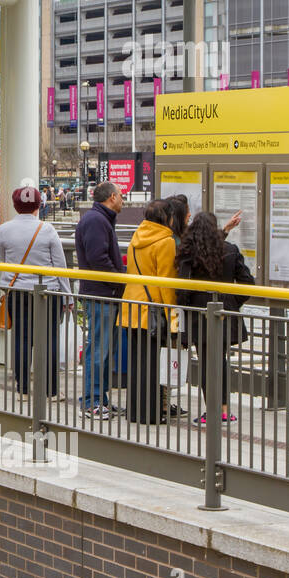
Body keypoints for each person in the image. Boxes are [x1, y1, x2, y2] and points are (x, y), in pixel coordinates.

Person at [175, 211, 254, 424]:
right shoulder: (230, 250)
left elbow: (182, 290)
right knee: (220, 360)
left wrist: (186, 309)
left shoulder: (189, 253)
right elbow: (248, 283)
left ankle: (213, 410)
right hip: (225, 313)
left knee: (206, 363)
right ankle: (224, 409)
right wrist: (232, 302)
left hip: (199, 316)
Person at [0, 186, 71, 397]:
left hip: (17, 292)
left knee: (21, 339)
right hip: (48, 292)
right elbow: (60, 266)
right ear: (39, 205)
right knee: (49, 340)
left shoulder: (4, 229)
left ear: (15, 205)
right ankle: (51, 390)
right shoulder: (48, 230)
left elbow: (4, 263)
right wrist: (68, 296)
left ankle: (22, 388)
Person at [118, 199, 177, 423]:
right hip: (151, 311)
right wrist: (173, 316)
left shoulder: (136, 237)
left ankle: (134, 411)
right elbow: (166, 282)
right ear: (167, 217)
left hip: (130, 306)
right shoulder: (165, 241)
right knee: (152, 365)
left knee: (136, 363)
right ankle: (150, 414)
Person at [75, 181, 126, 419]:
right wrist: (120, 281)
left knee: (103, 349)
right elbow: (98, 258)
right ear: (112, 197)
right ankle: (92, 400)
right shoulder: (97, 221)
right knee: (99, 348)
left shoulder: (98, 219)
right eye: (122, 196)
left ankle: (99, 399)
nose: (123, 200)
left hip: (103, 294)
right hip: (101, 294)